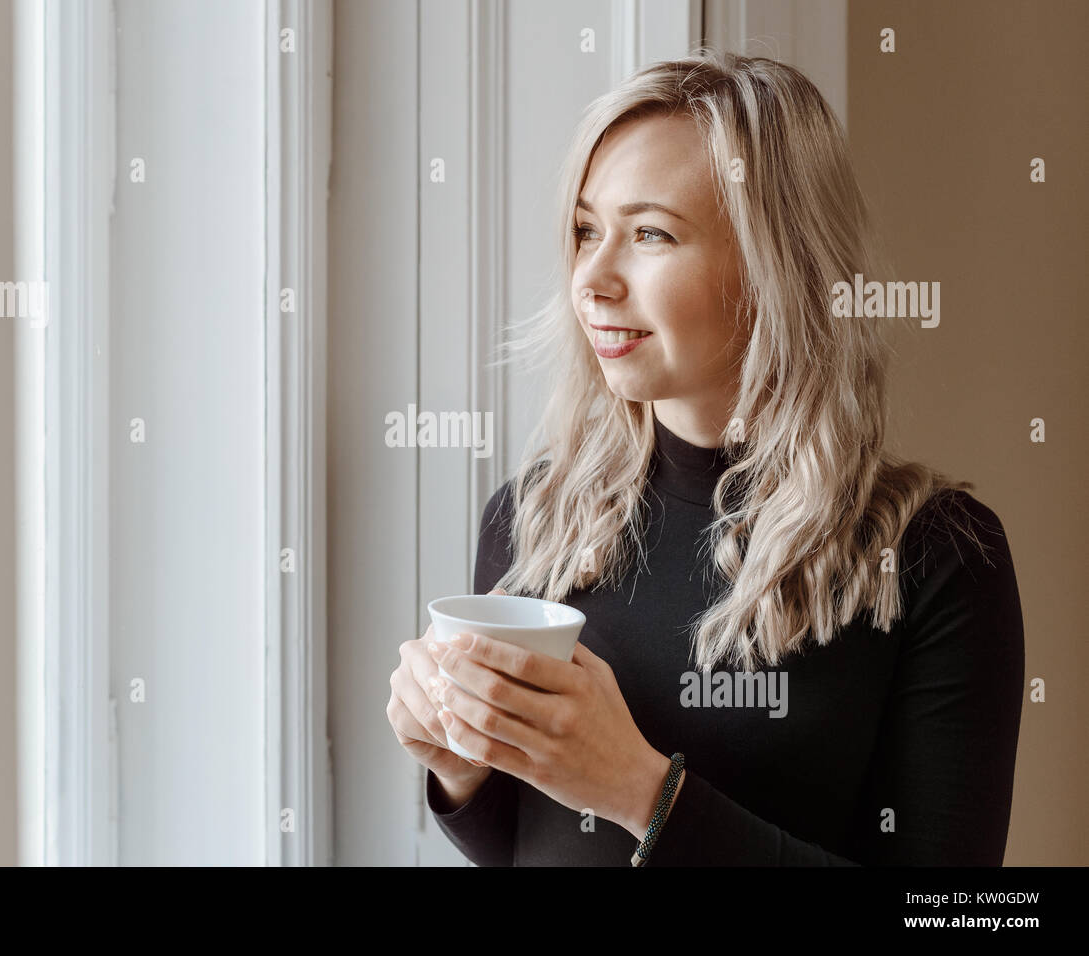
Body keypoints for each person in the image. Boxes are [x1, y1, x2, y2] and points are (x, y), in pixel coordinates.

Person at [384, 50, 1024, 866]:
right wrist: (460, 771)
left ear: (775, 265)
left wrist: (639, 792)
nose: (592, 278)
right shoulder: (530, 518)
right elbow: (527, 845)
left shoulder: (935, 555)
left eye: (650, 233)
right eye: (586, 230)